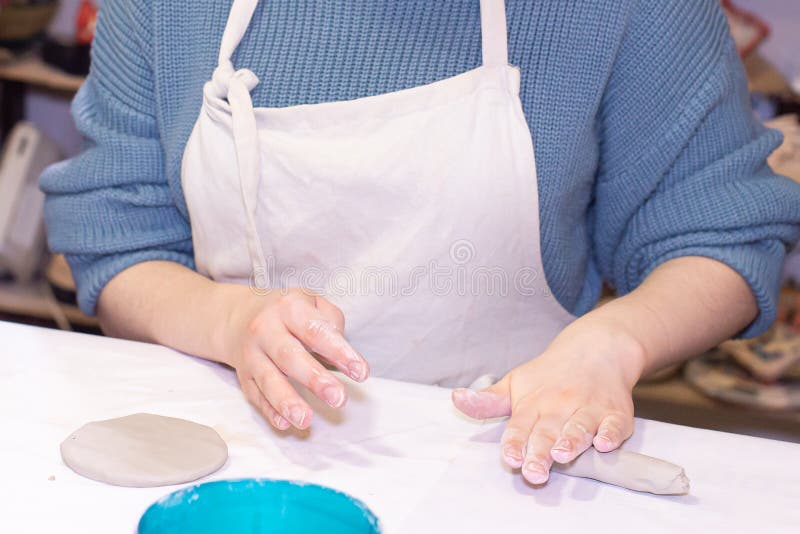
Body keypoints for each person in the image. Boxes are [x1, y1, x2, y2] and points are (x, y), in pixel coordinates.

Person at [41, 0, 800, 485]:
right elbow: (117, 236)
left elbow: (720, 231)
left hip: (510, 467)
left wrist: (613, 346)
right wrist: (226, 323)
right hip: (233, 465)